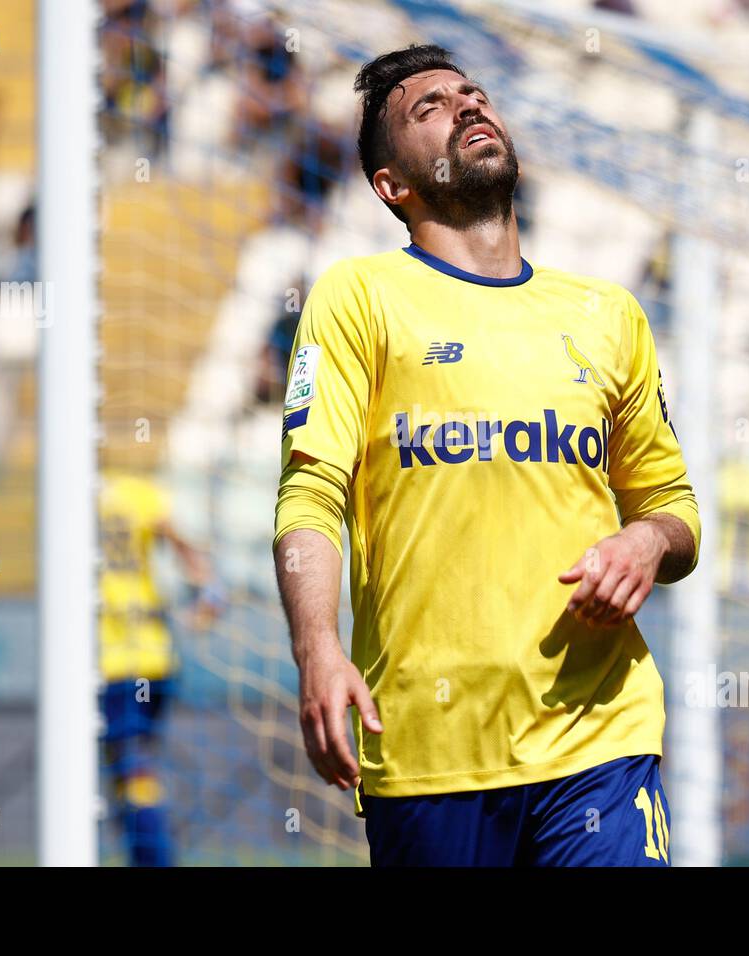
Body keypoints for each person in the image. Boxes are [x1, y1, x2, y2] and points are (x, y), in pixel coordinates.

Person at [272, 45, 700, 867]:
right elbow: (310, 494)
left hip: (598, 741)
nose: (466, 105)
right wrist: (318, 648)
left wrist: (644, 542)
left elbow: (673, 509)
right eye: (428, 108)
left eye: (473, 94)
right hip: (428, 753)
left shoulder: (608, 314)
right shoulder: (357, 298)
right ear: (390, 184)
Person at [98, 470, 212, 866]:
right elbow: (185, 549)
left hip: (114, 661)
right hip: (156, 655)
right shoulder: (138, 493)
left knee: (130, 770)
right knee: (132, 768)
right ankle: (146, 853)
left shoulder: (70, 498)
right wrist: (207, 593)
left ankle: (152, 859)